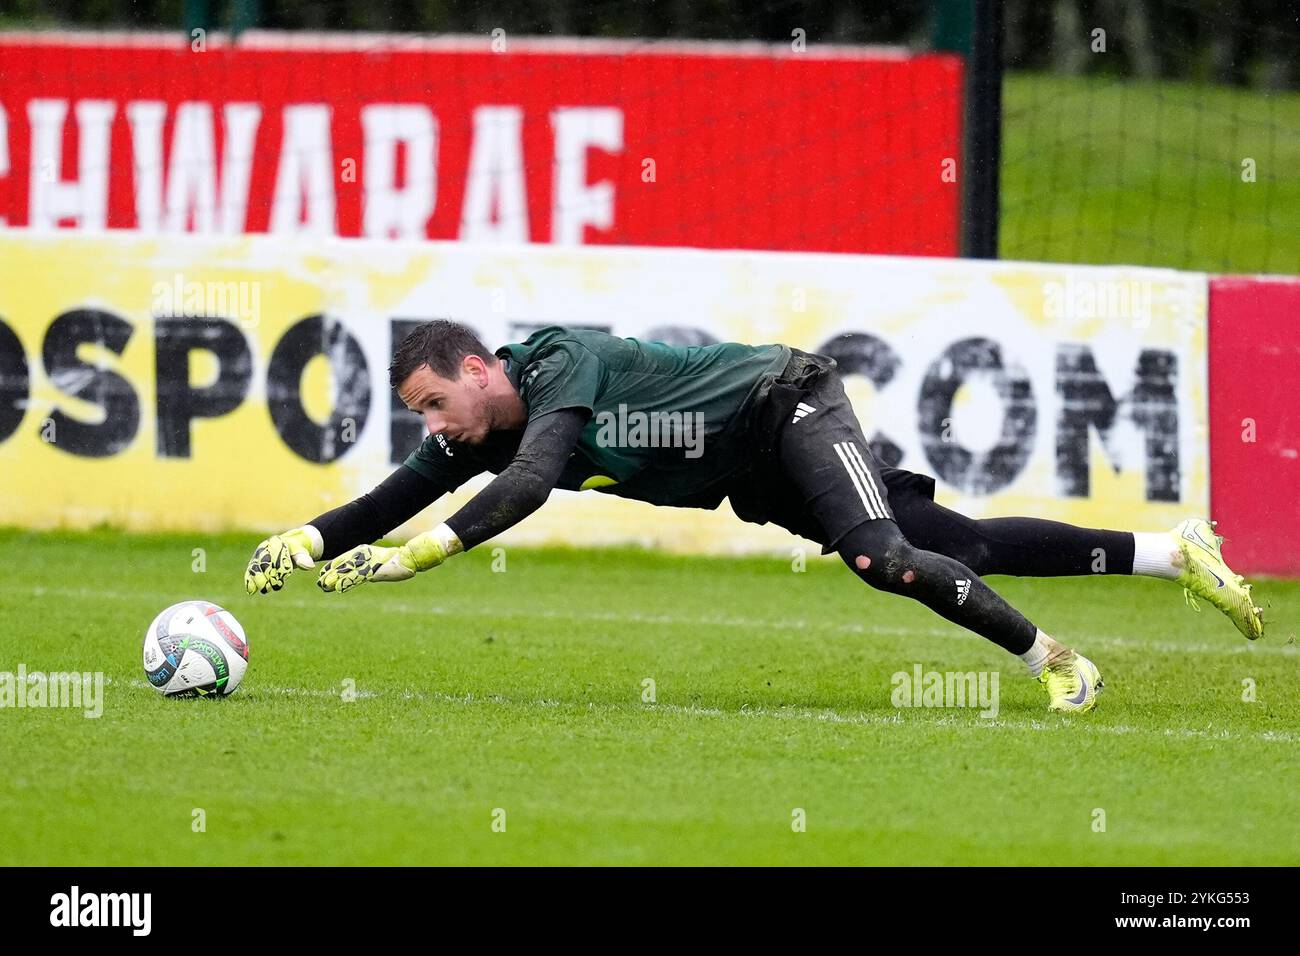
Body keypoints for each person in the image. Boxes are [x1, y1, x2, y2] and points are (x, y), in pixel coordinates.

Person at [244, 321, 1265, 713]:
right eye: (421, 414)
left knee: (883, 557)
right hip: (755, 474)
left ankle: (1058, 663)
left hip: (788, 404)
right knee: (958, 546)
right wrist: (313, 536)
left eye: (434, 402)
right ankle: (1168, 547)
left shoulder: (557, 363)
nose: (433, 425)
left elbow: (530, 482)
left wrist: (413, 560)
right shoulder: (475, 432)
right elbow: (400, 491)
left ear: (480, 371)